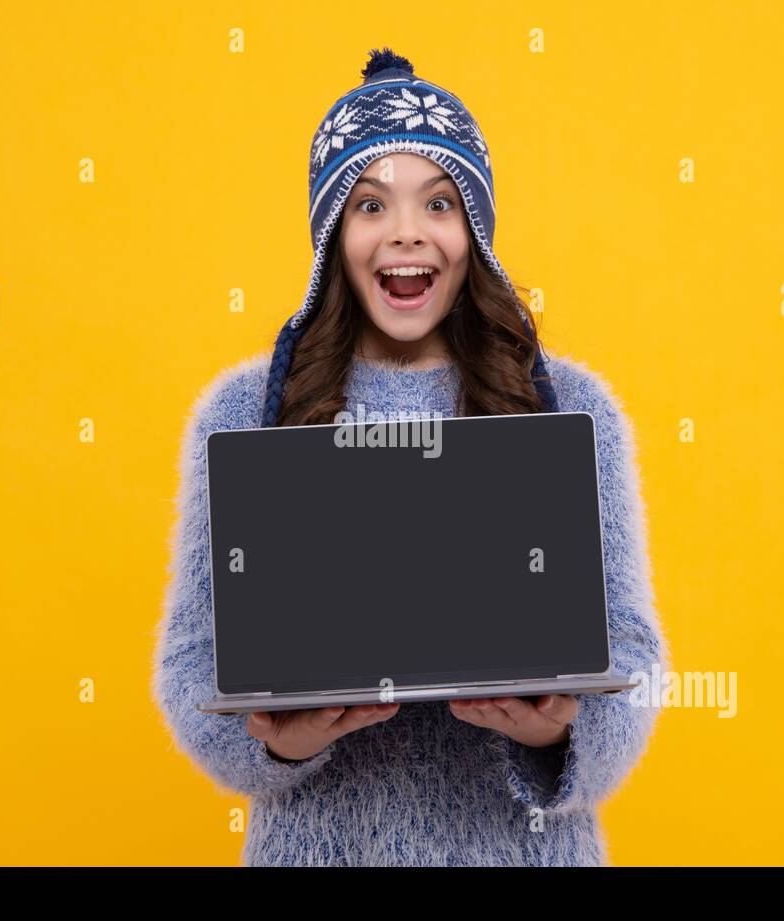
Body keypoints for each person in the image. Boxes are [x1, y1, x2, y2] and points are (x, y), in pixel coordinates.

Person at [152, 47, 668, 866]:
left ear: (474, 230)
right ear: (332, 234)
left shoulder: (568, 407)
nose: (405, 232)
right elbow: (189, 670)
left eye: (438, 201)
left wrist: (558, 731)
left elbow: (635, 657)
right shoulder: (248, 412)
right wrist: (282, 745)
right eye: (368, 204)